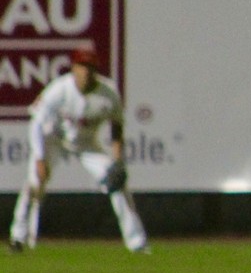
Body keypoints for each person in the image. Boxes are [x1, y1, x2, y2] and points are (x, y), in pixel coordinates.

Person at [9, 46, 150, 254]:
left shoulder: (108, 93)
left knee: (117, 183)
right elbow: (36, 124)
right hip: (54, 139)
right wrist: (39, 159)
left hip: (86, 144)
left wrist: (118, 162)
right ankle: (18, 237)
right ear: (74, 68)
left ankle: (137, 243)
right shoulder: (59, 89)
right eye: (83, 66)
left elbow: (117, 127)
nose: (87, 71)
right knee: (33, 183)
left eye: (91, 67)